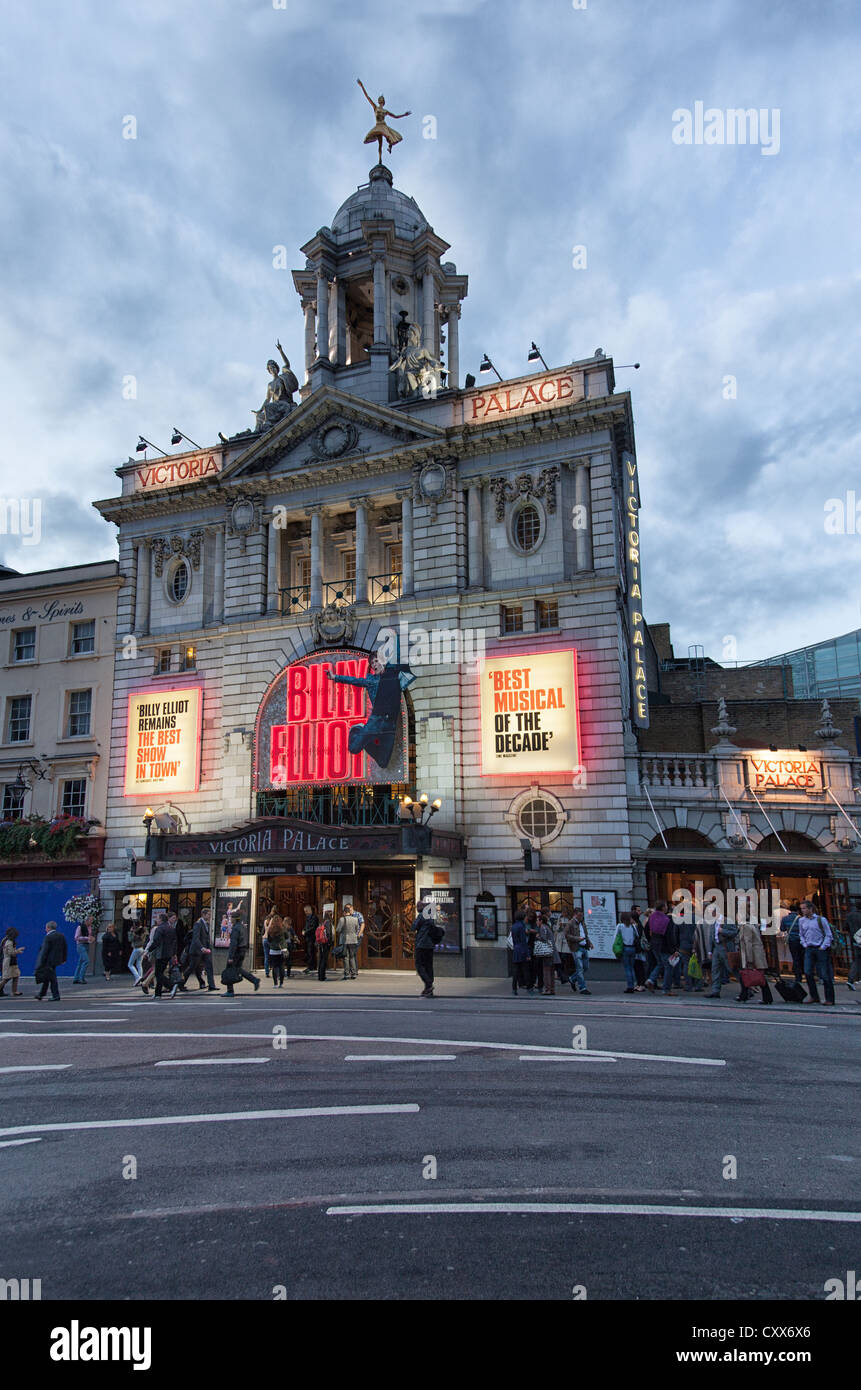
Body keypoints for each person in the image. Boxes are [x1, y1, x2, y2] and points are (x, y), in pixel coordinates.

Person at [798, 898, 835, 1005]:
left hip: (820, 948)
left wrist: (823, 947)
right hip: (809, 948)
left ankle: (829, 999)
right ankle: (814, 996)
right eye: (801, 909)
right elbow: (801, 934)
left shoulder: (821, 920)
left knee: (824, 974)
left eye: (804, 908)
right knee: (808, 972)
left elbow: (828, 935)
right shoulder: (801, 921)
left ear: (810, 909)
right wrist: (804, 944)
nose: (803, 911)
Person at [224, 912, 261, 998]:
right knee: (238, 969)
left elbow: (233, 943)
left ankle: (230, 991)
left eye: (231, 918)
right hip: (242, 951)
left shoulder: (235, 928)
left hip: (236, 952)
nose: (230, 919)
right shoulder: (242, 927)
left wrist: (230, 957)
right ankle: (254, 980)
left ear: (234, 918)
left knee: (229, 970)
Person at [737, 919, 773, 1003]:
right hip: (757, 953)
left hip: (753, 955)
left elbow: (748, 943)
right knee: (754, 975)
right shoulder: (753, 925)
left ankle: (766, 998)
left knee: (754, 976)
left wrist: (749, 959)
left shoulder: (746, 927)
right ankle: (744, 995)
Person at [644, 901, 676, 995]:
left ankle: (650, 980)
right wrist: (673, 949)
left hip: (654, 944)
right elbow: (670, 936)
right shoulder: (666, 920)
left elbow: (646, 930)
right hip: (664, 945)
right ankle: (666, 989)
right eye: (666, 906)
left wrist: (651, 940)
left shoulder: (652, 917)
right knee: (668, 967)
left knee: (660, 963)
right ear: (663, 908)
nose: (667, 908)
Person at [185, 908, 219, 992]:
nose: (210, 916)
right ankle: (181, 982)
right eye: (208, 914)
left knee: (209, 966)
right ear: (203, 915)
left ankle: (212, 985)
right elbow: (195, 938)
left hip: (206, 949)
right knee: (192, 967)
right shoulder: (198, 924)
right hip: (197, 950)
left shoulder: (207, 924)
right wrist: (201, 948)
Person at [705, 916, 739, 998]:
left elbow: (734, 932)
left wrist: (722, 931)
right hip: (716, 948)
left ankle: (746, 988)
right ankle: (715, 991)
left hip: (726, 947)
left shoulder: (727, 921)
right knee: (715, 969)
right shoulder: (713, 922)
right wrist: (710, 951)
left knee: (732, 968)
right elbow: (711, 936)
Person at [413, 901, 441, 997]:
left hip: (421, 944)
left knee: (419, 965)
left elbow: (414, 927)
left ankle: (428, 984)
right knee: (428, 966)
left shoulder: (421, 915)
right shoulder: (430, 916)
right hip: (430, 945)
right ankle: (428, 989)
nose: (416, 908)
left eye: (417, 906)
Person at [34, 921, 67, 1001]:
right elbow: (64, 948)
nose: (45, 929)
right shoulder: (61, 936)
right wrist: (64, 959)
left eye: (46, 928)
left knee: (52, 978)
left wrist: (40, 963)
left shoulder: (48, 937)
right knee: (47, 976)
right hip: (56, 960)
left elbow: (45, 951)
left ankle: (56, 995)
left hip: (48, 961)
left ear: (48, 928)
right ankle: (41, 994)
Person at [150, 913, 177, 999]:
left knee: (158, 973)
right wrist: (173, 953)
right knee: (160, 973)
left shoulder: (160, 928)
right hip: (169, 953)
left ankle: (171, 986)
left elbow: (156, 941)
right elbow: (174, 942)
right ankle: (158, 993)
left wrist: (148, 949)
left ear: (161, 919)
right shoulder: (171, 928)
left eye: (157, 919)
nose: (156, 920)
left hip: (161, 953)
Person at [567, 909, 593, 995]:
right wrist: (577, 939)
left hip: (584, 946)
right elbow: (567, 935)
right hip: (576, 947)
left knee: (586, 967)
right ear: (575, 915)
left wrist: (589, 942)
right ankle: (583, 987)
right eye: (579, 915)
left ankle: (572, 979)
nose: (581, 917)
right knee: (579, 968)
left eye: (581, 915)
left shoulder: (582, 923)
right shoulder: (570, 923)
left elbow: (585, 934)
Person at [780, 900, 804, 985]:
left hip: (792, 940)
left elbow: (782, 929)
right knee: (802, 957)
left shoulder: (785, 919)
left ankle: (798, 976)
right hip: (802, 940)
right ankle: (804, 973)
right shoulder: (801, 919)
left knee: (795, 957)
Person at [535, 914, 558, 996]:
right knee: (551, 971)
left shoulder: (542, 927)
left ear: (541, 921)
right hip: (552, 952)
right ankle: (552, 989)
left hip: (546, 953)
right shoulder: (547, 927)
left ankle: (548, 989)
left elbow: (544, 939)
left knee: (546, 971)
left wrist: (538, 937)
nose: (536, 922)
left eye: (537, 920)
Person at [510, 912, 531, 996]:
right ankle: (529, 988)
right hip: (522, 950)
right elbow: (523, 941)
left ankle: (514, 988)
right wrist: (528, 954)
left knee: (516, 971)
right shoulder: (522, 927)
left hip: (516, 949)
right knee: (525, 970)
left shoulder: (514, 926)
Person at [337, 907, 361, 980]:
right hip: (353, 940)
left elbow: (338, 929)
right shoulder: (355, 919)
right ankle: (353, 973)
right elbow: (357, 929)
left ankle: (347, 974)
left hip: (345, 940)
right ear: (349, 912)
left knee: (346, 957)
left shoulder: (342, 919)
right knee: (352, 956)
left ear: (344, 912)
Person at [0, 927, 25, 997]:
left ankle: (15, 991)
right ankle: (14, 991)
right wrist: (18, 951)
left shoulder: (5, 940)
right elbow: (11, 953)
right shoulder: (9, 942)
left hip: (11, 961)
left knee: (16, 975)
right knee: (6, 978)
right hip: (8, 962)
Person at [617, 912, 638, 993]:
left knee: (627, 968)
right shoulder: (633, 926)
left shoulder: (620, 926)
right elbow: (637, 936)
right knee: (631, 967)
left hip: (625, 948)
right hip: (632, 948)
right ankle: (633, 984)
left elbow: (615, 937)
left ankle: (630, 986)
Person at [266, 913, 287, 988]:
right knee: (281, 966)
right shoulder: (283, 928)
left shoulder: (271, 929)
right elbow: (287, 936)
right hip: (282, 950)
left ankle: (275, 984)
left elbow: (269, 939)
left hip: (273, 950)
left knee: (274, 967)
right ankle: (281, 983)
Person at [72, 916, 94, 983]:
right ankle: (81, 978)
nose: (91, 922)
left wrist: (91, 939)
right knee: (86, 960)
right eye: (90, 920)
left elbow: (89, 935)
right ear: (86, 921)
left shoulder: (90, 927)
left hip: (87, 944)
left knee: (80, 962)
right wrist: (86, 938)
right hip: (81, 945)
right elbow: (76, 937)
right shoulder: (80, 927)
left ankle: (76, 978)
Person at [846, 898, 861, 992]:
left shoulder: (849, 915)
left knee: (857, 960)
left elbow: (846, 927)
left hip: (856, 940)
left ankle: (851, 979)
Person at [127, 919, 146, 985]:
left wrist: (131, 932)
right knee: (139, 964)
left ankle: (137, 977)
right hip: (142, 948)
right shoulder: (143, 930)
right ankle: (140, 980)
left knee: (130, 964)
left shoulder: (135, 931)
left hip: (136, 948)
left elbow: (130, 939)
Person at [316, 911, 334, 981]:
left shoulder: (323, 922)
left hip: (321, 943)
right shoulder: (328, 923)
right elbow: (329, 933)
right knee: (324, 959)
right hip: (325, 943)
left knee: (321, 959)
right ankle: (322, 976)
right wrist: (330, 942)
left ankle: (320, 975)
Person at [302, 904, 318, 975]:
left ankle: (311, 966)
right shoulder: (308, 917)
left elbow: (313, 927)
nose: (305, 913)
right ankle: (311, 966)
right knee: (308, 952)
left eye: (306, 911)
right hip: (307, 937)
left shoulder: (314, 918)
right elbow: (306, 926)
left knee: (311, 952)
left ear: (309, 910)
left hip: (312, 937)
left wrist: (306, 932)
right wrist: (303, 930)